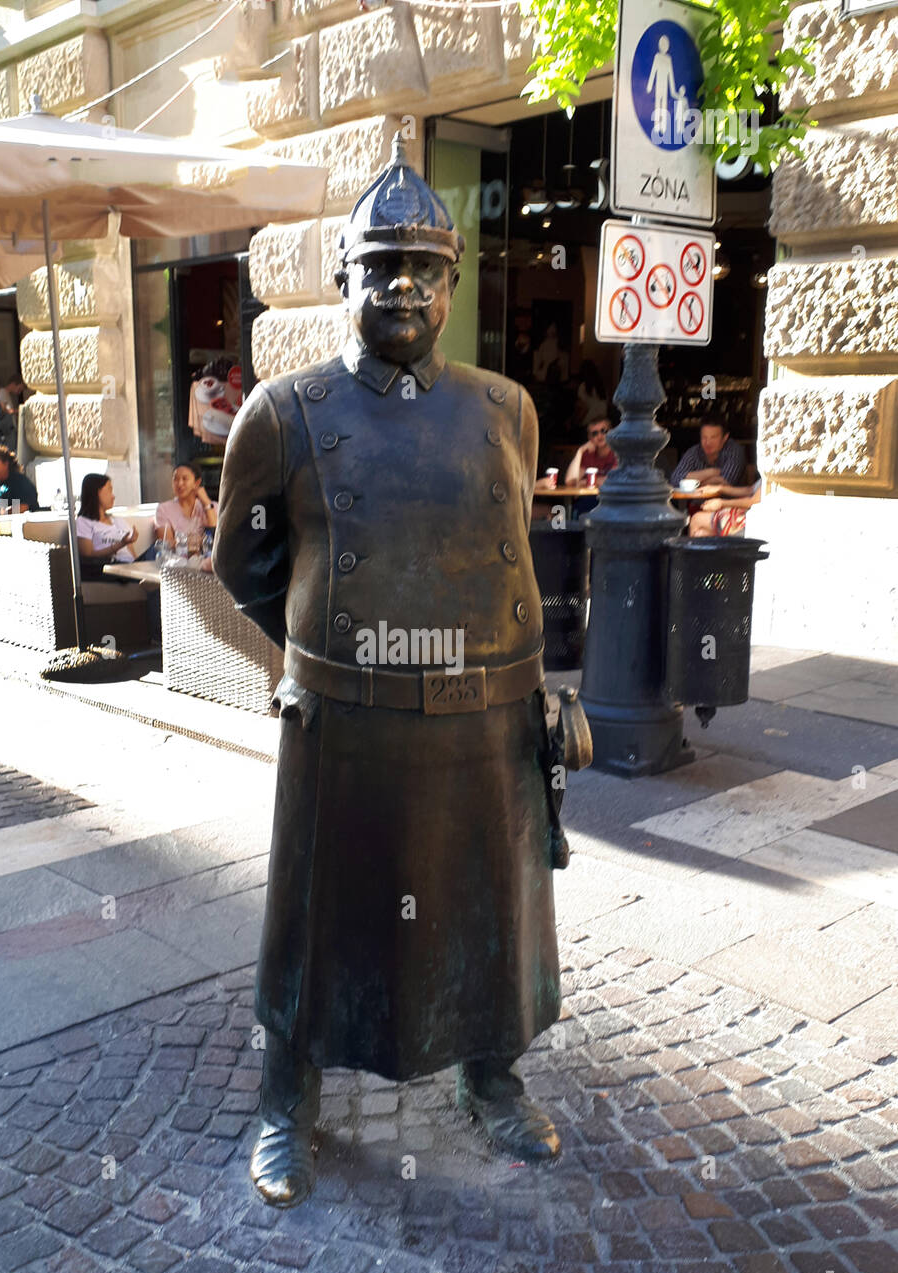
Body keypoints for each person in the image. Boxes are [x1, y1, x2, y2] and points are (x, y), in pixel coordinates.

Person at [214, 134, 582, 1208]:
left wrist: (537, 690)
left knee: (490, 906)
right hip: (346, 721)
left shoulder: (506, 408)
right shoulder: (284, 414)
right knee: (316, 917)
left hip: (486, 717)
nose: (405, 285)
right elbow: (243, 558)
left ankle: (490, 1070)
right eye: (383, 265)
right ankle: (287, 1093)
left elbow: (509, 551)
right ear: (346, 280)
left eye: (426, 267)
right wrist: (320, 647)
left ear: (454, 282)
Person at [75, 473, 138, 576]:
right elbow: (87, 555)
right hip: (112, 568)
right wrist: (120, 544)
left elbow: (133, 556)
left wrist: (140, 567)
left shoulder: (118, 521)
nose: (113, 496)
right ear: (97, 492)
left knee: (157, 550)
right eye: (109, 490)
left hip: (132, 567)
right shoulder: (83, 522)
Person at [670, 412, 747, 487]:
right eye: (704, 437)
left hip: (728, 499)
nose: (708, 443)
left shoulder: (734, 450)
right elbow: (674, 479)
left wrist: (691, 482)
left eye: (713, 437)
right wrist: (711, 472)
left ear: (725, 438)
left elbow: (726, 481)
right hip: (697, 499)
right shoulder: (694, 452)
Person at [154, 461, 218, 548]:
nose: (179, 484)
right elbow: (168, 544)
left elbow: (215, 537)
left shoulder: (212, 507)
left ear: (197, 483)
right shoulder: (163, 509)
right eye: (175, 479)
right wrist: (200, 542)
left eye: (185, 479)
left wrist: (206, 503)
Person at [689, 479, 762, 537]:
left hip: (755, 522)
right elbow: (750, 490)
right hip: (750, 514)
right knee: (701, 533)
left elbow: (754, 501)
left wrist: (722, 503)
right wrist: (719, 488)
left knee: (697, 519)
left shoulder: (772, 469)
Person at [565, 417, 617, 483]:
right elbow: (570, 482)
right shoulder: (588, 454)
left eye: (603, 431)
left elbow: (615, 480)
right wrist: (580, 452)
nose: (599, 436)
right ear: (590, 438)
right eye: (595, 433)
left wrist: (585, 482)